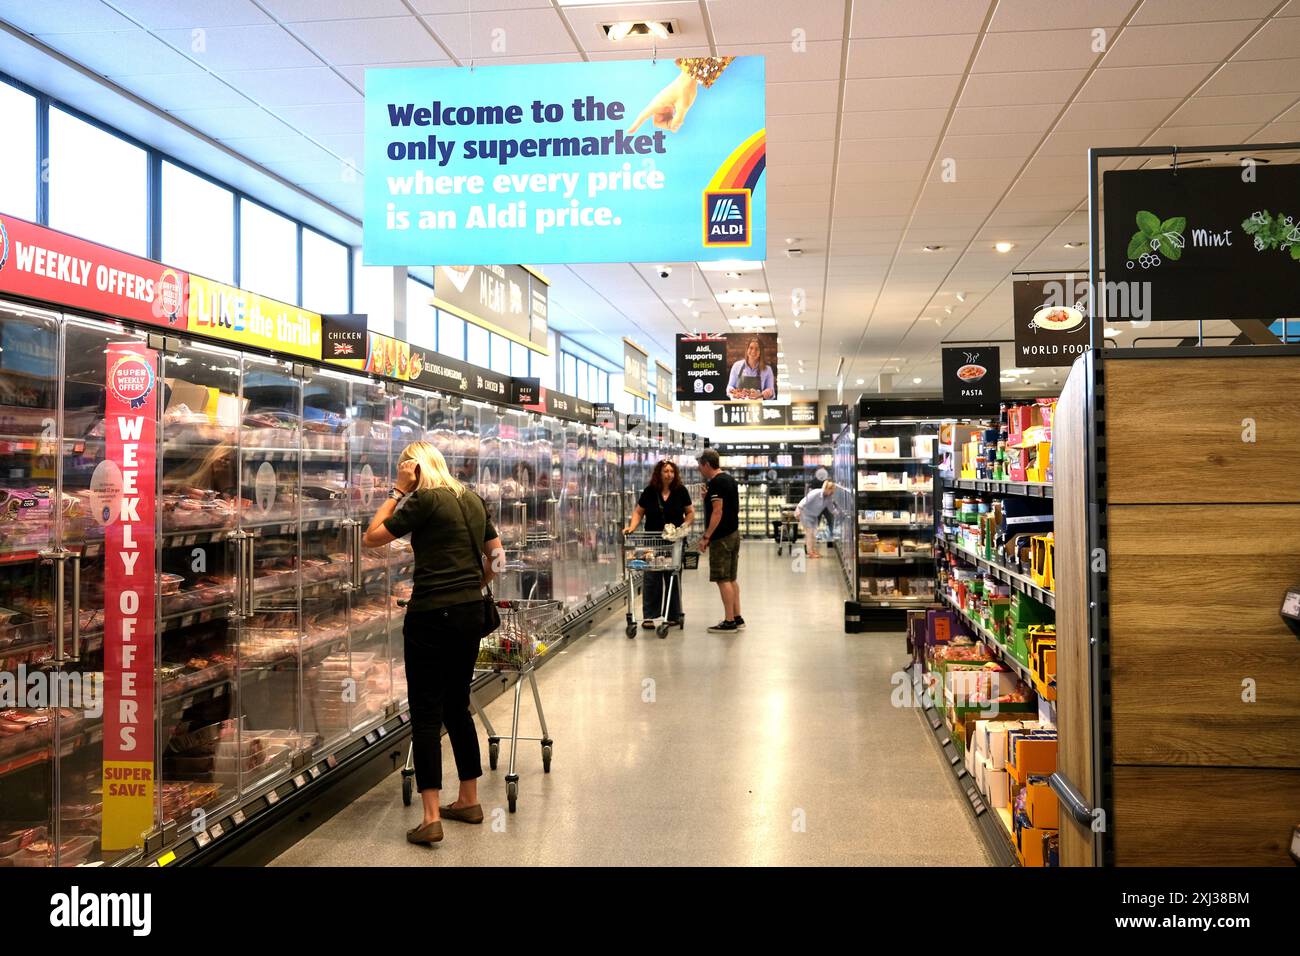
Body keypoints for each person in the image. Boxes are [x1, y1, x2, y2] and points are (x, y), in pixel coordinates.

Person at [362, 441, 503, 846]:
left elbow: (372, 538)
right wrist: (472, 587)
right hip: (469, 614)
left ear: (414, 468)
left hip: (430, 615)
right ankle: (469, 800)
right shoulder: (471, 498)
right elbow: (498, 557)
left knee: (426, 713)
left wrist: (396, 492)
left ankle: (430, 818)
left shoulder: (422, 500)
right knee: (458, 707)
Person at [622, 459, 695, 631]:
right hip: (652, 539)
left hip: (674, 541)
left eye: (672, 471)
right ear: (659, 474)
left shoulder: (681, 491)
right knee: (651, 578)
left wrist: (683, 526)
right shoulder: (650, 491)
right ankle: (649, 616)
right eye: (666, 471)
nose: (669, 474)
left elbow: (690, 512)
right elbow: (639, 511)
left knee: (672, 576)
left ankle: (672, 616)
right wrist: (631, 527)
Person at [695, 448, 744, 632]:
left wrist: (706, 536)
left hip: (721, 537)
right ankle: (737, 616)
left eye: (700, 465)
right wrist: (707, 498)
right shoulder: (729, 479)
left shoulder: (716, 482)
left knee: (722, 579)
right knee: (731, 578)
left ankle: (729, 620)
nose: (699, 469)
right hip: (733, 533)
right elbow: (728, 506)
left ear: (707, 464)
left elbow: (718, 511)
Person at [794, 480, 837, 558]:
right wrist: (798, 510)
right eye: (832, 490)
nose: (832, 493)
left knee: (814, 534)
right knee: (809, 533)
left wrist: (838, 513)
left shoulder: (828, 497)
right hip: (805, 514)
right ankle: (810, 552)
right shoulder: (815, 493)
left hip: (814, 515)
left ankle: (812, 550)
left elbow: (831, 508)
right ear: (827, 488)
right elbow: (804, 501)